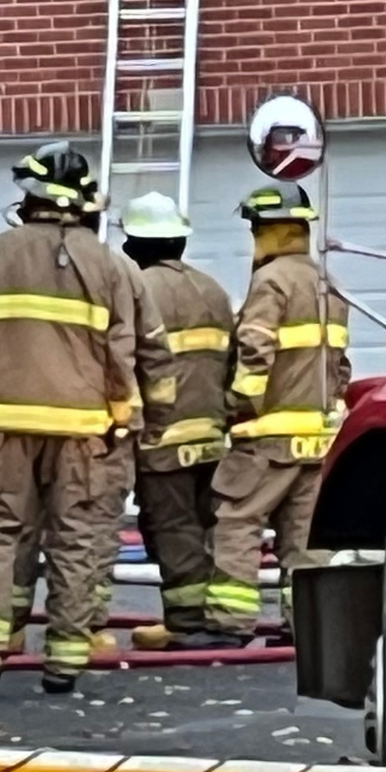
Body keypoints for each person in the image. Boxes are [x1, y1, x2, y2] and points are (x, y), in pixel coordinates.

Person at [0, 141, 171, 695]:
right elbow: (148, 352)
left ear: (29, 198)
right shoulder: (114, 267)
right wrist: (144, 423)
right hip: (89, 432)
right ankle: (66, 659)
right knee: (78, 538)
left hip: (0, 428)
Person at [209, 179, 349, 640]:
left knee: (237, 522)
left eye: (256, 229)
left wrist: (235, 408)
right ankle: (307, 627)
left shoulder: (271, 282)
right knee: (305, 539)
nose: (253, 239)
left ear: (273, 231)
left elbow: (255, 352)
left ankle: (231, 622)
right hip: (318, 439)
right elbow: (339, 366)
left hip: (267, 438)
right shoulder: (329, 284)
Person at [116, 192, 239, 650]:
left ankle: (187, 621)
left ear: (138, 244)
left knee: (172, 526)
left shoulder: (138, 291)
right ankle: (213, 612)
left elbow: (125, 362)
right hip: (212, 433)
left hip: (163, 436)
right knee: (209, 524)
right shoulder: (213, 290)